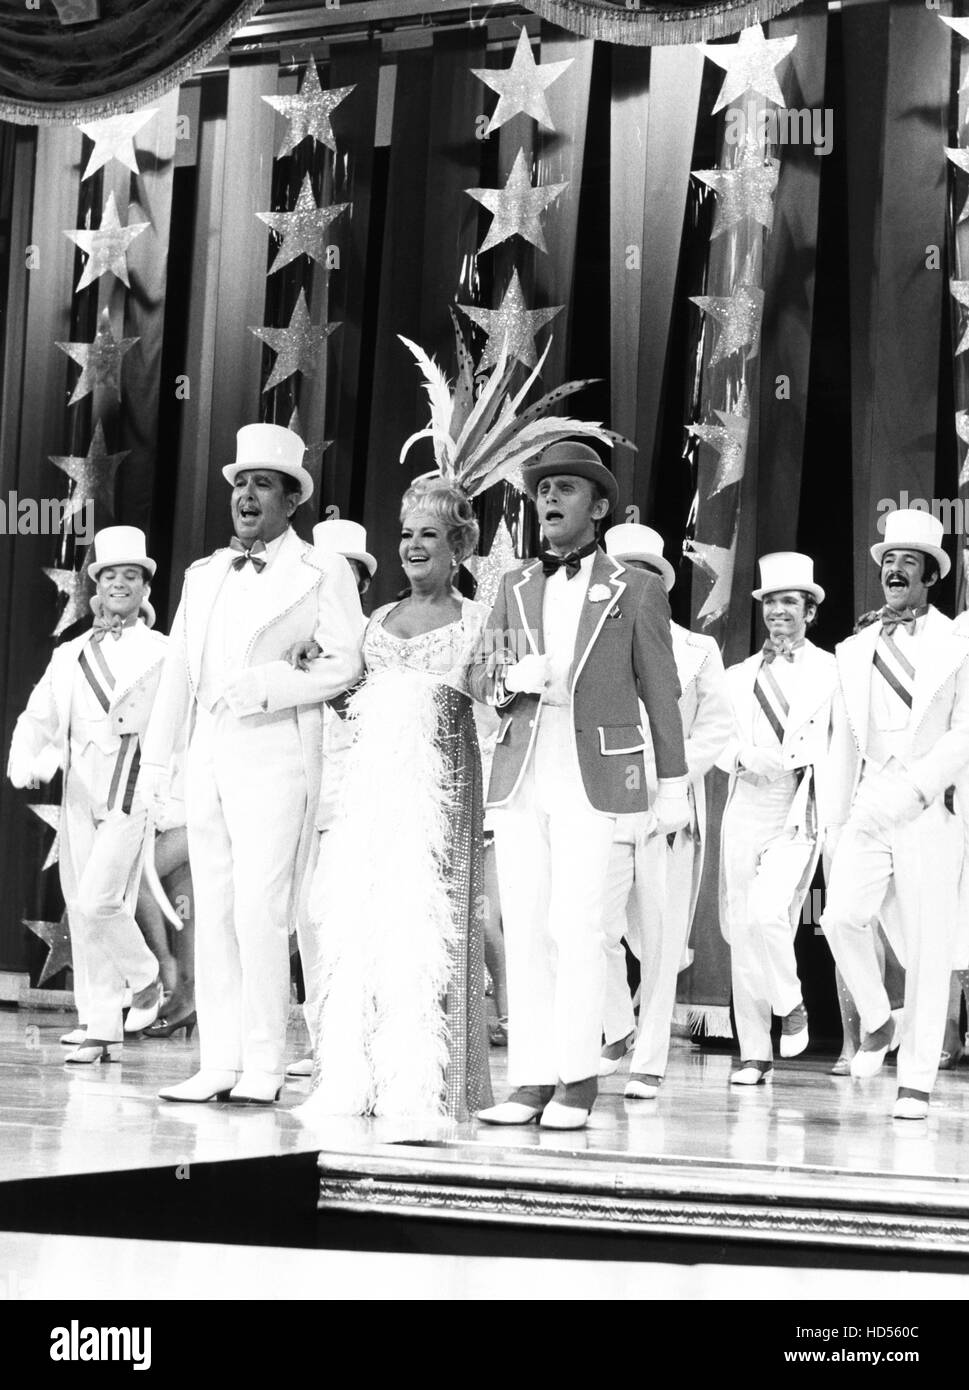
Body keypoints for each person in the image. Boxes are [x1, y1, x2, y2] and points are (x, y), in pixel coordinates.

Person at [140, 423, 364, 1105]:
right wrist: (156, 768)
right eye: (241, 482)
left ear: (291, 500)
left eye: (262, 484)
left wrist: (269, 684)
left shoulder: (322, 570)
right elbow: (177, 673)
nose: (246, 495)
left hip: (276, 752)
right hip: (209, 754)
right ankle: (220, 1060)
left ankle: (265, 1064)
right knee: (213, 908)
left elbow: (346, 661)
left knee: (261, 911)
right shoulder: (203, 574)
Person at [470, 441, 689, 1132]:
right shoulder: (513, 585)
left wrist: (673, 784)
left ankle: (577, 1079)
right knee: (526, 927)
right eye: (542, 490)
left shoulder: (636, 588)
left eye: (565, 488)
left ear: (598, 508)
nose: (549, 500)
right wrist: (508, 680)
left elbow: (662, 692)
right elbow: (478, 673)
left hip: (595, 774)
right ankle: (531, 1079)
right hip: (522, 770)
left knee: (579, 927)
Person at [296, 478, 493, 1121]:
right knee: (362, 926)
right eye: (406, 534)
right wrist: (310, 663)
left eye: (429, 534)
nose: (412, 545)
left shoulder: (481, 621)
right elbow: (351, 699)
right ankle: (354, 1077)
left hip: (443, 788)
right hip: (371, 792)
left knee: (428, 929)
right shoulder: (376, 620)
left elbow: (502, 700)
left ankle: (428, 1083)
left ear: (459, 546)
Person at [820, 509, 969, 1120]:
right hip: (868, 799)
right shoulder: (854, 647)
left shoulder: (959, 643)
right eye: (889, 560)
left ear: (930, 575)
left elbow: (964, 731)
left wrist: (919, 787)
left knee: (929, 946)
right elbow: (841, 743)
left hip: (928, 804)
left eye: (909, 561)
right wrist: (834, 821)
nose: (895, 569)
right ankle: (880, 1019)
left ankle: (917, 1081)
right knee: (839, 917)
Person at [7, 526, 168, 1062]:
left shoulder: (164, 653)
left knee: (102, 900)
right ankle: (100, 1024)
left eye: (131, 575)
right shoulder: (70, 653)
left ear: (145, 587)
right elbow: (39, 715)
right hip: (79, 787)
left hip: (132, 788)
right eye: (110, 575)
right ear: (96, 587)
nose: (120, 584)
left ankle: (146, 978)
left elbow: (178, 730)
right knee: (81, 905)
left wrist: (172, 791)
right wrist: (26, 761)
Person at [596, 524, 733, 1099]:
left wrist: (669, 778)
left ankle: (649, 1059)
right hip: (605, 802)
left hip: (667, 806)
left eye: (642, 574)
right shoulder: (588, 644)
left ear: (659, 584)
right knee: (592, 926)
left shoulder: (698, 649)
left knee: (660, 938)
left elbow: (717, 728)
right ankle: (617, 1025)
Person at [717, 552, 838, 1086]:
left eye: (789, 601)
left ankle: (791, 1005)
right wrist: (742, 757)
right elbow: (716, 736)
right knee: (744, 930)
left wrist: (789, 761)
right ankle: (754, 1053)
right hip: (747, 801)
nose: (778, 611)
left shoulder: (833, 670)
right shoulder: (738, 675)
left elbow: (840, 742)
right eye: (770, 602)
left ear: (809, 611)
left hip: (798, 805)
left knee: (769, 913)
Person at [287, 518, 377, 1080]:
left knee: (351, 923)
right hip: (301, 800)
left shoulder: (374, 638)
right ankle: (323, 1040)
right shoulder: (289, 640)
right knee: (306, 920)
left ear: (360, 583)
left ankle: (359, 1043)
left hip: (358, 801)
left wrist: (334, 674)